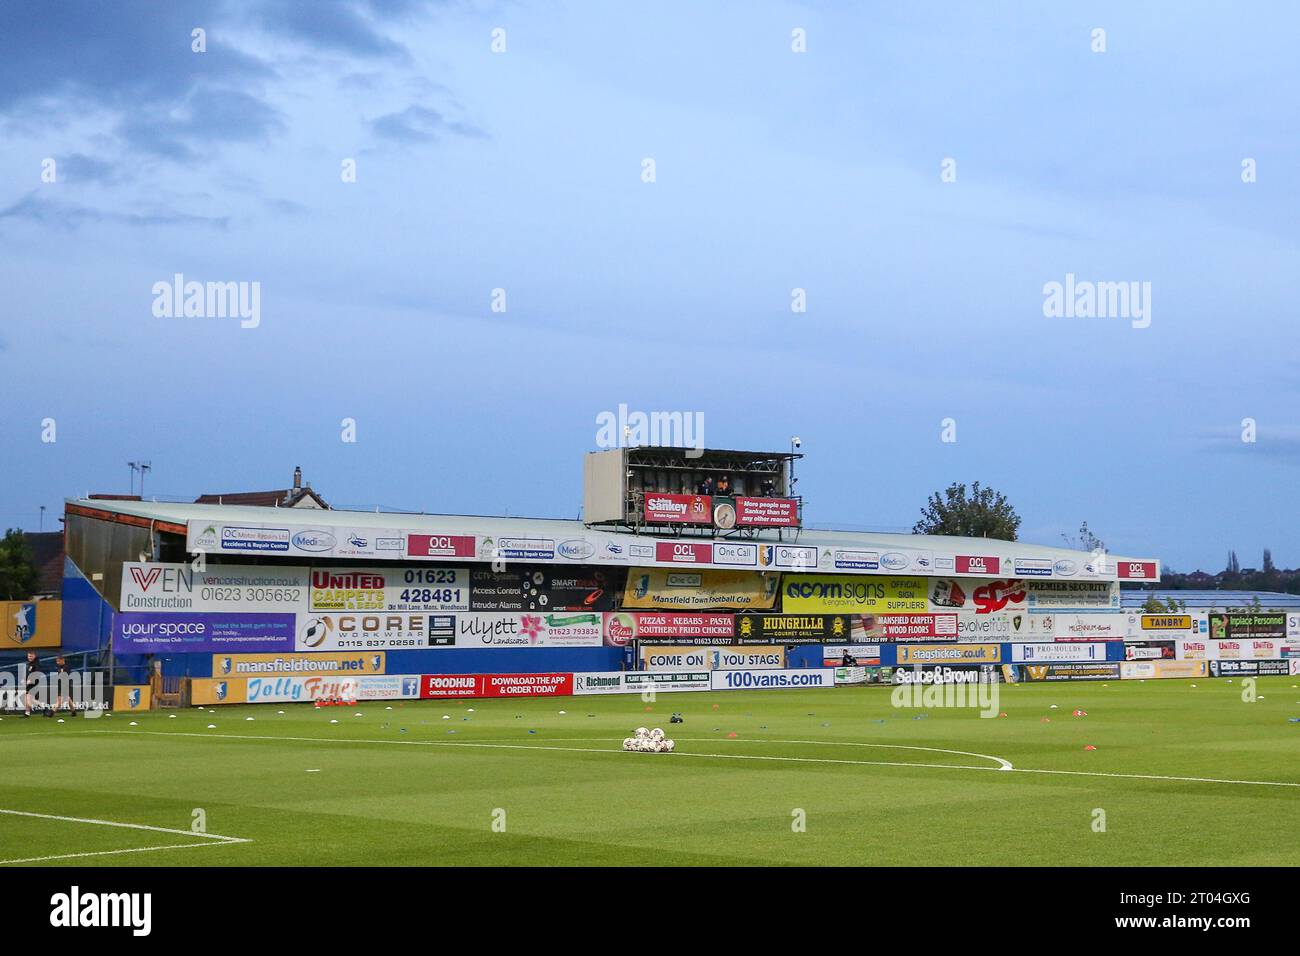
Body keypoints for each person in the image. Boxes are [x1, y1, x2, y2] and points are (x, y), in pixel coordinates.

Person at [23, 651, 41, 718]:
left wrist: (31, 680)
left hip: (34, 684)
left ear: (34, 656)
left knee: (29, 700)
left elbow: (37, 673)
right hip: (29, 684)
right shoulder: (30, 664)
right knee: (27, 699)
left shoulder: (36, 664)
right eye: (28, 656)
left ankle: (44, 708)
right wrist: (25, 679)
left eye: (31, 656)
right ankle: (27, 713)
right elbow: (29, 673)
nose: (29, 657)